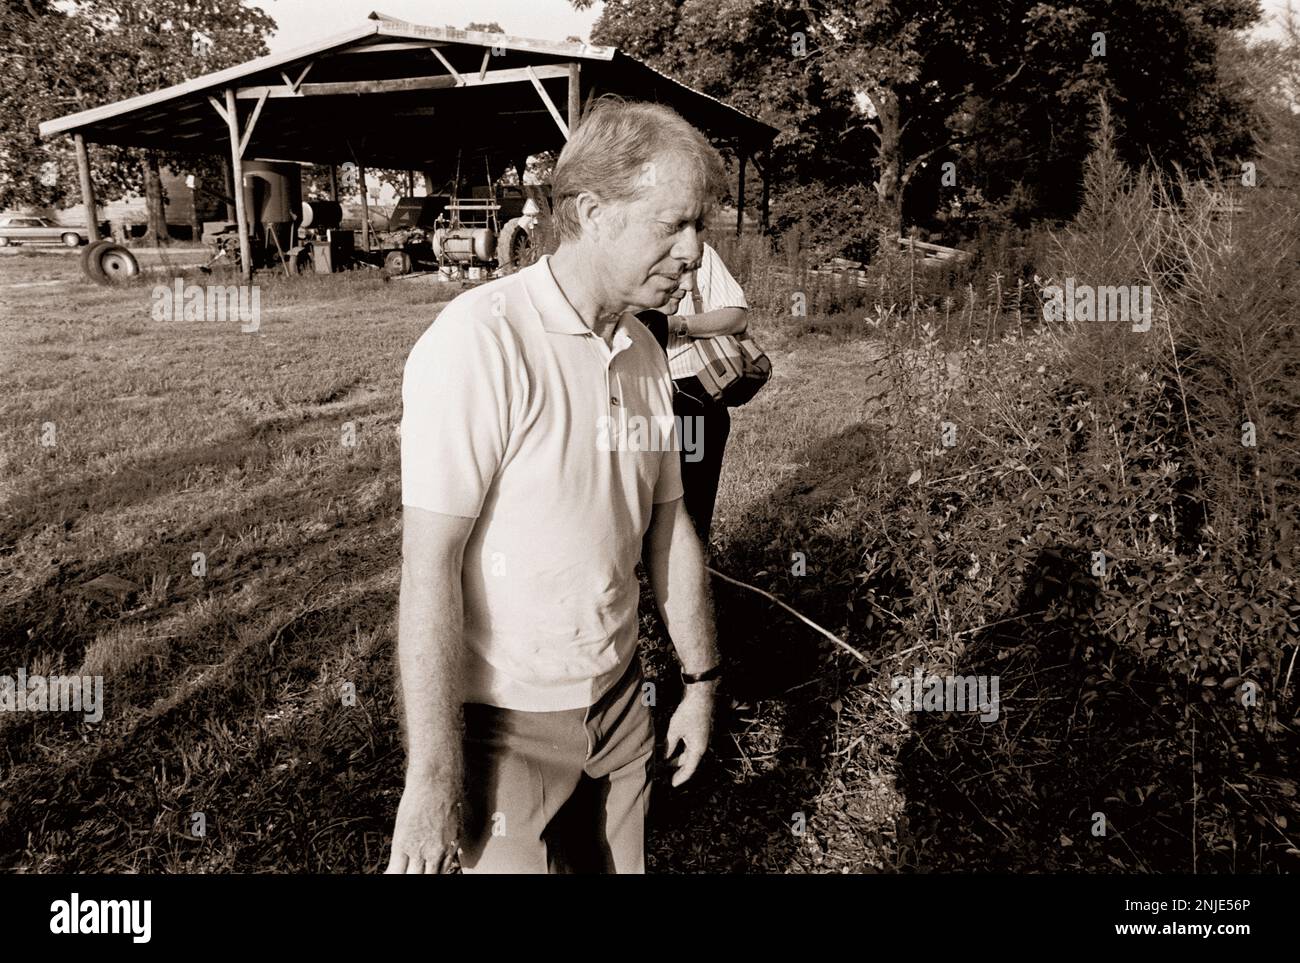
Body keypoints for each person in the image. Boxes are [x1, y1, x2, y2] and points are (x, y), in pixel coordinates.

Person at [387, 98, 726, 875]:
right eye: (673, 225)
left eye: (700, 225)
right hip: (503, 730)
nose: (695, 251)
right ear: (591, 212)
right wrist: (433, 779)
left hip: (621, 708)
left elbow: (669, 528)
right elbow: (427, 566)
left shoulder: (643, 350)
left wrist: (701, 682)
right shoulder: (480, 342)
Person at [661, 242, 750, 543]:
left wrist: (677, 325)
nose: (685, 285)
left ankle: (696, 574)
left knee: (691, 503)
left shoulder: (697, 250)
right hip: (630, 394)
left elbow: (737, 316)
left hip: (688, 392)